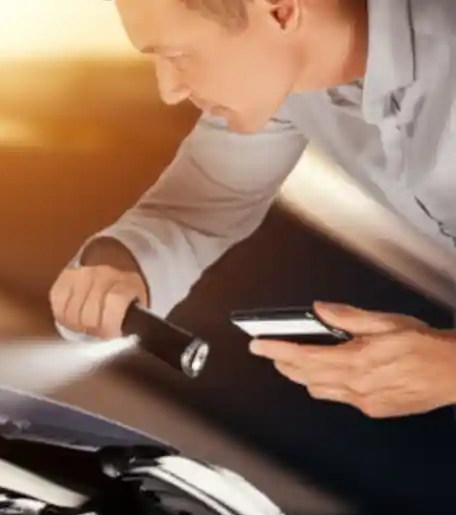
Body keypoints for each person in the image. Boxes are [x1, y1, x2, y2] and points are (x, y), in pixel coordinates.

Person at [50, 0, 456, 419]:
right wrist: (118, 268)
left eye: (178, 56)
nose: (169, 91)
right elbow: (198, 205)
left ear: (281, 10)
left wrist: (449, 368)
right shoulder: (290, 77)